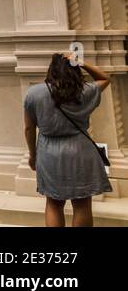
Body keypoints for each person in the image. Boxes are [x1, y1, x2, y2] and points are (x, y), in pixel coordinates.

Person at [24, 51, 113, 227]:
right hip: (80, 149)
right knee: (82, 204)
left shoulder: (34, 93)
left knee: (54, 203)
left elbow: (29, 128)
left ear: (51, 70)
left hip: (49, 151)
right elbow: (105, 79)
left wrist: (33, 155)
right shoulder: (83, 91)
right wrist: (80, 62)